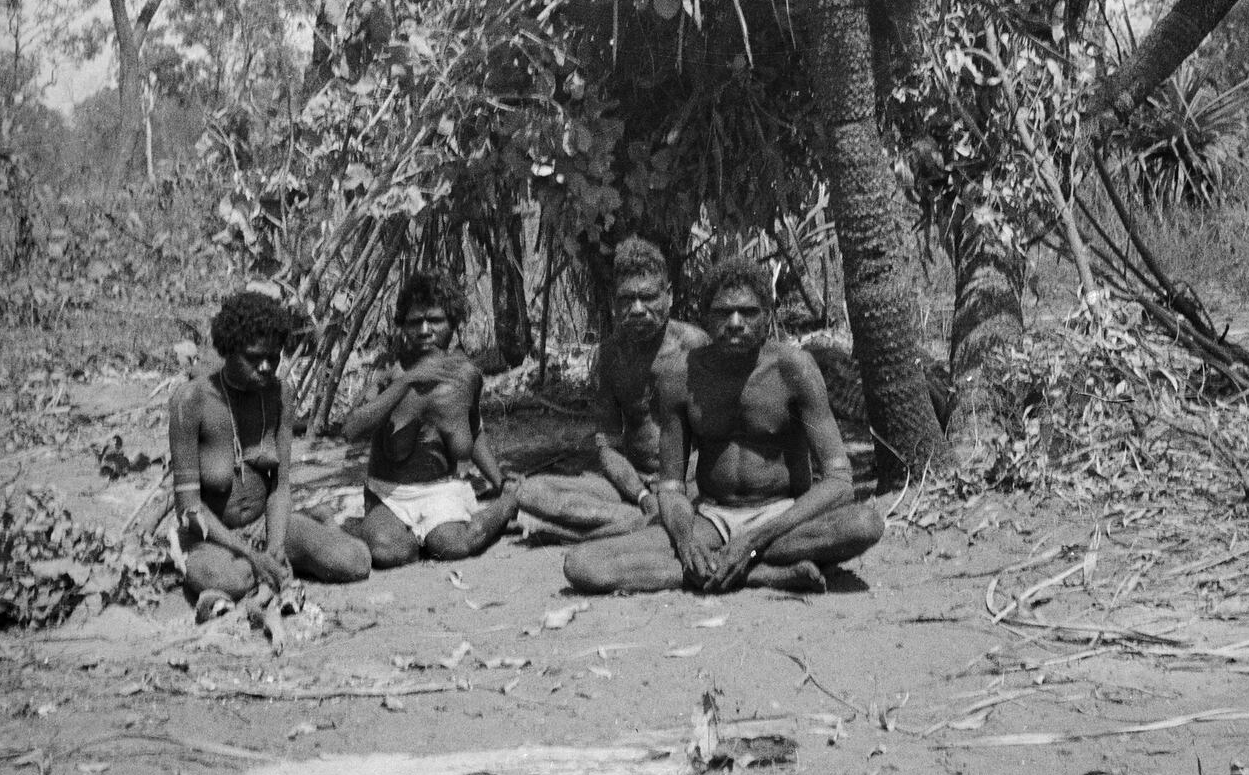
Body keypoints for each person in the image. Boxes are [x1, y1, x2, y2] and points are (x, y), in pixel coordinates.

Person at [564, 255, 884, 595]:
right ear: (706, 317)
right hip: (712, 518)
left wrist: (755, 539)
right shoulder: (679, 377)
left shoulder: (794, 369)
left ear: (768, 316)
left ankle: (736, 561)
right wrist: (686, 540)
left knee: (865, 524)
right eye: (722, 312)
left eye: (748, 312)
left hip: (782, 518)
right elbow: (671, 487)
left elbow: (839, 481)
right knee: (582, 565)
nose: (734, 322)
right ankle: (760, 574)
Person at [168, 291, 370, 613]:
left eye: (273, 357)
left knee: (354, 562)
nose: (266, 367)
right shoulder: (191, 401)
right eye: (253, 357)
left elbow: (280, 488)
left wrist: (275, 545)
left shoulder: (278, 395)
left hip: (265, 524)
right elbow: (190, 510)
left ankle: (307, 534)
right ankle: (251, 568)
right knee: (231, 579)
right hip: (211, 536)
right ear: (228, 349)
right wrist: (251, 555)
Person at [517, 238, 708, 541]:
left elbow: (721, 434)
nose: (637, 309)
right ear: (613, 301)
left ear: (668, 296)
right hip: (634, 484)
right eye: (626, 299)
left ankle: (601, 529)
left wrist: (679, 487)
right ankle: (644, 523)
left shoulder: (696, 347)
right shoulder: (609, 356)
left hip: (693, 482)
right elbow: (607, 446)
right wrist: (642, 496)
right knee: (531, 491)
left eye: (648, 298)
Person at [341, 270, 518, 567]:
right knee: (390, 552)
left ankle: (508, 505)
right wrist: (406, 381)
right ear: (402, 327)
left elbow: (474, 433)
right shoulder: (387, 372)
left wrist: (500, 482)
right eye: (414, 322)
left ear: (452, 323)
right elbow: (351, 430)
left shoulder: (466, 376)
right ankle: (386, 530)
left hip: (442, 490)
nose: (424, 330)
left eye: (435, 320)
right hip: (389, 493)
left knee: (455, 545)